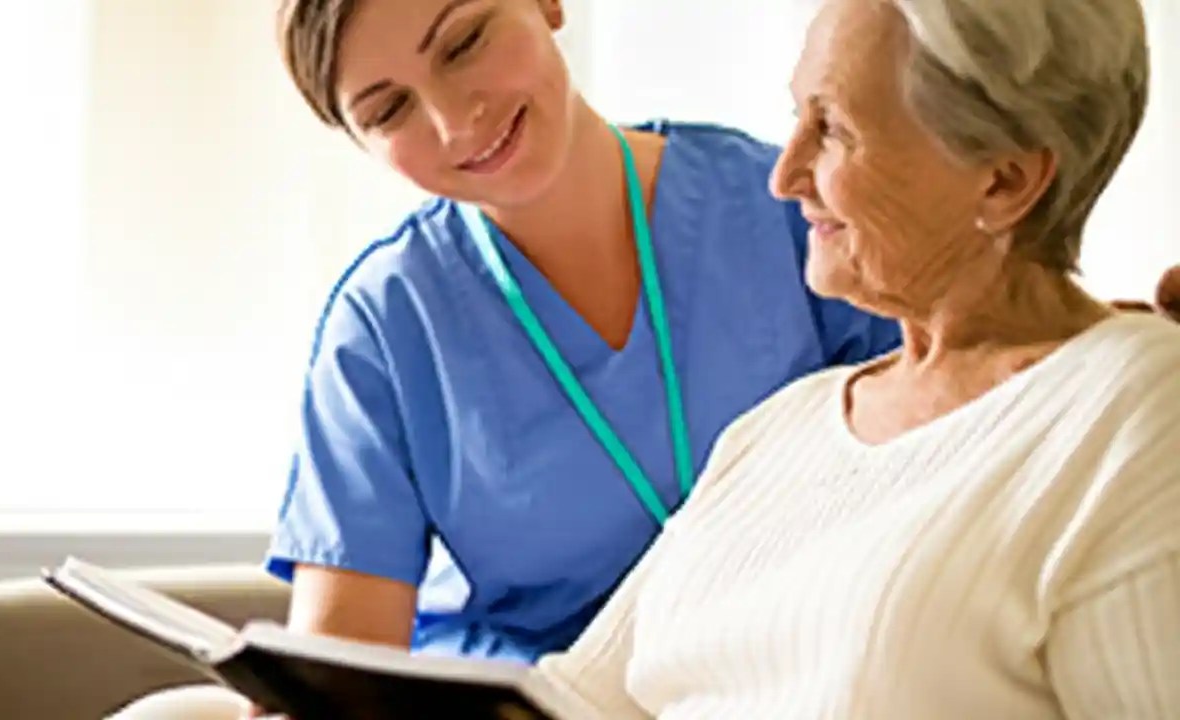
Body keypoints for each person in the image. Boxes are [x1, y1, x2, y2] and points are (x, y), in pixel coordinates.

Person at [107, 0, 1177, 716]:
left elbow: (987, 375)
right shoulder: (392, 326)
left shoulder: (820, 244)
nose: (451, 115)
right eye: (385, 109)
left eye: (466, 39)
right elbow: (364, 671)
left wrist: (1111, 357)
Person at [526, 0, 1180, 716]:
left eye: (833, 129)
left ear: (1005, 180)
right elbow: (574, 701)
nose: (785, 175)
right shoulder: (780, 428)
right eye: (797, 117)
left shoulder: (1134, 411)